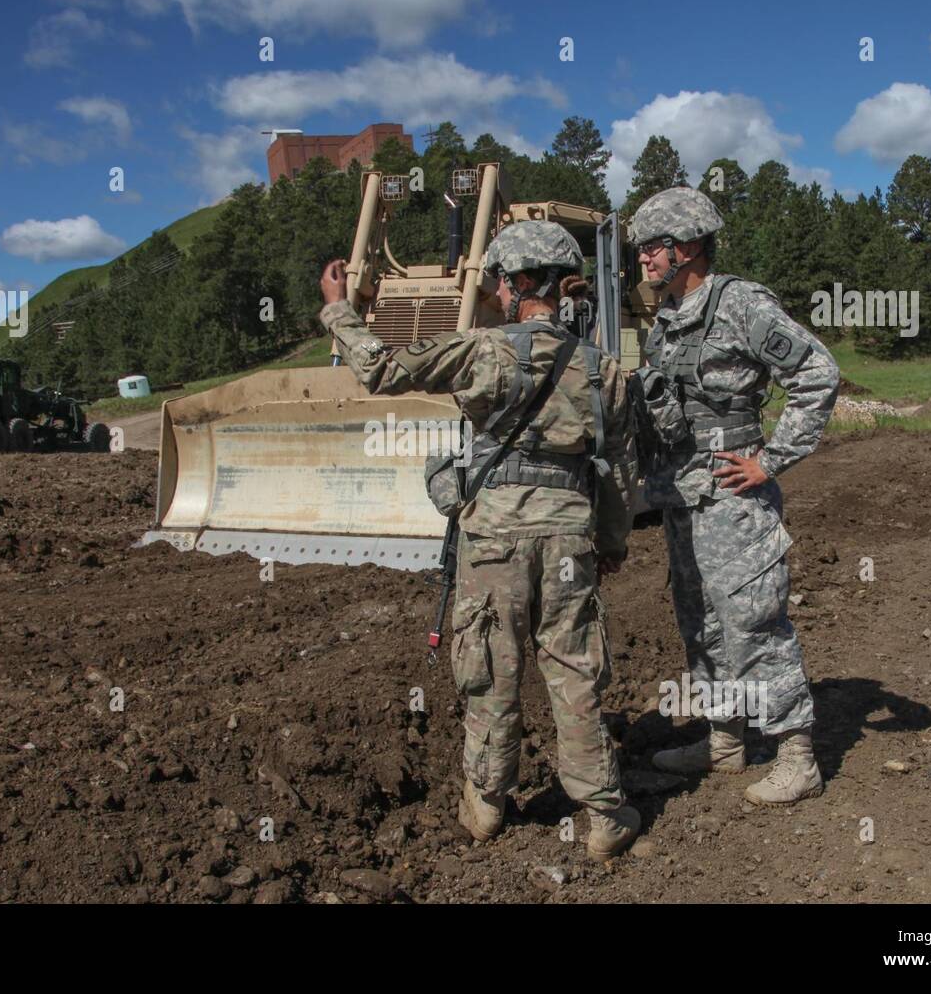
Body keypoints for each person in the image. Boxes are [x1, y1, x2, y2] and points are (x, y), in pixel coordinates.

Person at [319, 220, 642, 859]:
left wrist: (338, 310)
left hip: (494, 538)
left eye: (499, 278)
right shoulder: (605, 371)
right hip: (570, 538)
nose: (494, 289)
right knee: (575, 668)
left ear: (521, 283)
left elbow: (380, 372)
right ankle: (604, 815)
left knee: (491, 668)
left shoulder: (479, 351)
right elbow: (617, 467)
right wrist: (610, 543)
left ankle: (488, 804)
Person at [628, 187, 839, 805]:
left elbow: (816, 373)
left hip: (733, 497)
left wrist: (771, 460)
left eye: (651, 249)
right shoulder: (667, 319)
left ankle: (797, 755)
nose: (642, 260)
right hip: (682, 497)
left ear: (686, 246)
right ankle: (724, 741)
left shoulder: (740, 304)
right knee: (702, 626)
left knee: (753, 622)